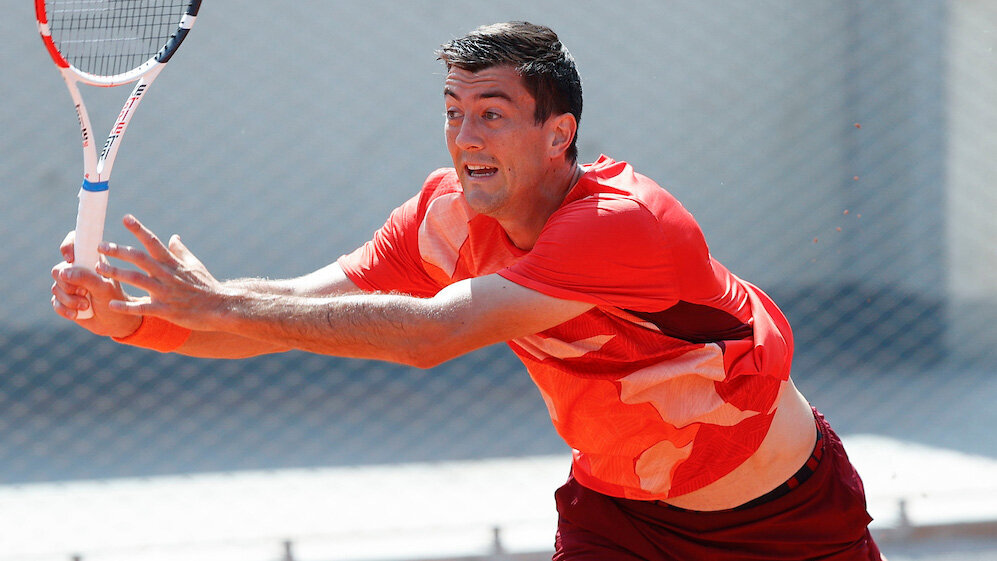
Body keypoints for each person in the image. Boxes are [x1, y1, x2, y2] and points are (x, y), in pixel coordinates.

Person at [51, 21, 884, 561]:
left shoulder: (620, 221)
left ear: (557, 135)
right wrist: (135, 321)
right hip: (620, 518)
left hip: (781, 521)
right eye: (452, 111)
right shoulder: (441, 216)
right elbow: (293, 309)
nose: (463, 135)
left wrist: (221, 302)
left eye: (491, 113)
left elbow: (428, 335)